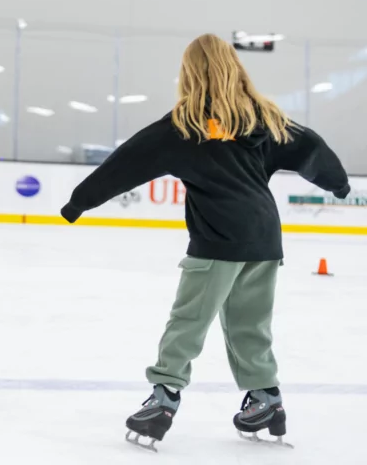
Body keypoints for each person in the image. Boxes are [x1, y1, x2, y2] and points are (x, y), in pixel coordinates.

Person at [59, 34, 350, 451]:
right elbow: (311, 147)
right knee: (251, 324)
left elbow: (126, 163)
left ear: (190, 73)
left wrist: (77, 203)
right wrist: (337, 184)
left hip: (218, 239)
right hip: (265, 236)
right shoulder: (261, 119)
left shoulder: (184, 127)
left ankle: (163, 399)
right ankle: (266, 398)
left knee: (189, 320)